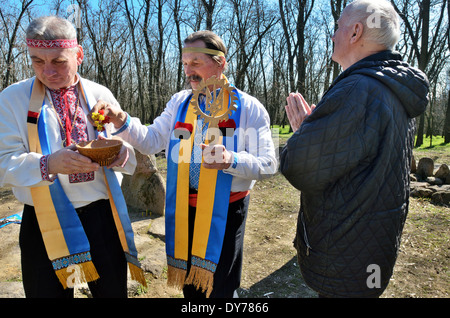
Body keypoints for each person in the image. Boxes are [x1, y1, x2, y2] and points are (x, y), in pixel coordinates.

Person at [90, 30, 277, 298]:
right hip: (183, 208)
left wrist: (231, 159)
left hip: (226, 211)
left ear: (221, 62)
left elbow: (269, 164)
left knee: (220, 288)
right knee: (191, 287)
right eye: (185, 64)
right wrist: (121, 120)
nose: (189, 72)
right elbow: (152, 140)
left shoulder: (250, 108)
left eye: (196, 63)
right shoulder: (179, 102)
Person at [280, 0, 429, 298]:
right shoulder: (392, 89)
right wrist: (316, 131)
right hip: (372, 247)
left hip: (345, 255)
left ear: (355, 32)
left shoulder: (357, 90)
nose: (333, 34)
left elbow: (299, 166)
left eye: (338, 26)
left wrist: (303, 134)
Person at [0, 16, 146, 298]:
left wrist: (118, 156)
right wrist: (48, 164)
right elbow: (3, 163)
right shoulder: (11, 98)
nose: (48, 71)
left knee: (111, 293)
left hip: (101, 216)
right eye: (37, 61)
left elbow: (124, 150)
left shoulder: (99, 93)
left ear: (78, 54)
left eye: (58, 61)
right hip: (43, 220)